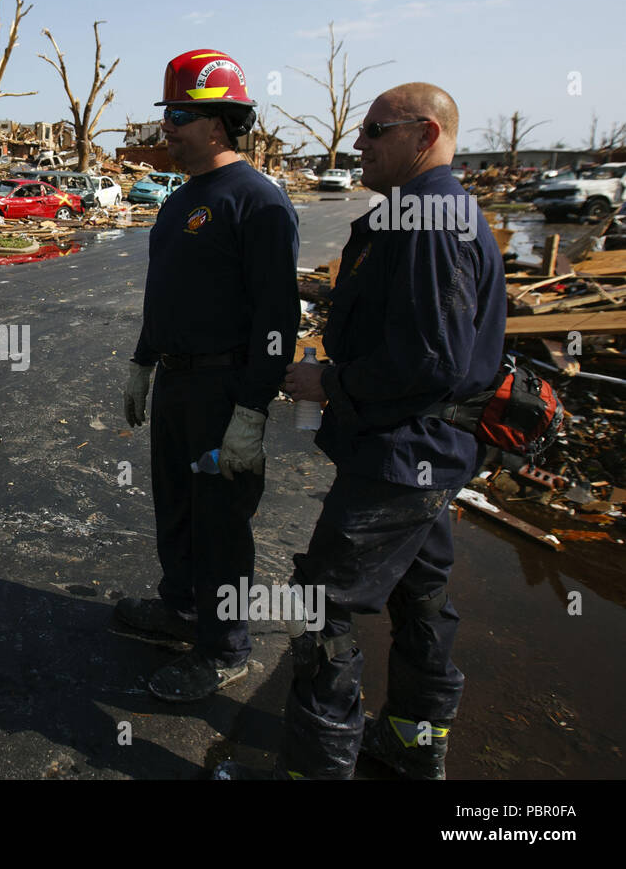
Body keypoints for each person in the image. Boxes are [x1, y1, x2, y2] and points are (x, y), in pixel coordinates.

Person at [279, 83, 506, 778]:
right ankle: (412, 741)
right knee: (421, 594)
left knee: (326, 605)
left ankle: (318, 768)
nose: (360, 144)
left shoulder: (430, 220)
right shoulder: (419, 211)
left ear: (425, 133)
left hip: (403, 456)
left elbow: (431, 360)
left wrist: (330, 384)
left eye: (375, 129)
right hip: (426, 456)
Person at [119, 50, 300, 701]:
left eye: (178, 116)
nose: (165, 128)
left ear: (219, 123)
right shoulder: (180, 202)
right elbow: (162, 297)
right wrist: (143, 363)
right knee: (176, 505)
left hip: (225, 390)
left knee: (220, 521)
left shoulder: (258, 202)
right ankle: (182, 609)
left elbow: (278, 316)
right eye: (166, 114)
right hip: (176, 383)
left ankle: (225, 649)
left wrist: (252, 409)